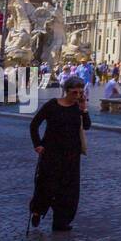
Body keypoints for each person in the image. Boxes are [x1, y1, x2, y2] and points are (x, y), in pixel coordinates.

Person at [28, 76, 92, 232]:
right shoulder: (52, 105)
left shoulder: (78, 108)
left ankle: (61, 221)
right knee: (46, 186)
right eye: (74, 92)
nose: (77, 96)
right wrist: (38, 145)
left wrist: (84, 110)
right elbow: (34, 124)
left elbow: (88, 126)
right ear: (67, 91)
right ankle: (37, 211)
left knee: (68, 190)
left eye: (80, 93)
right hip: (51, 152)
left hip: (72, 155)